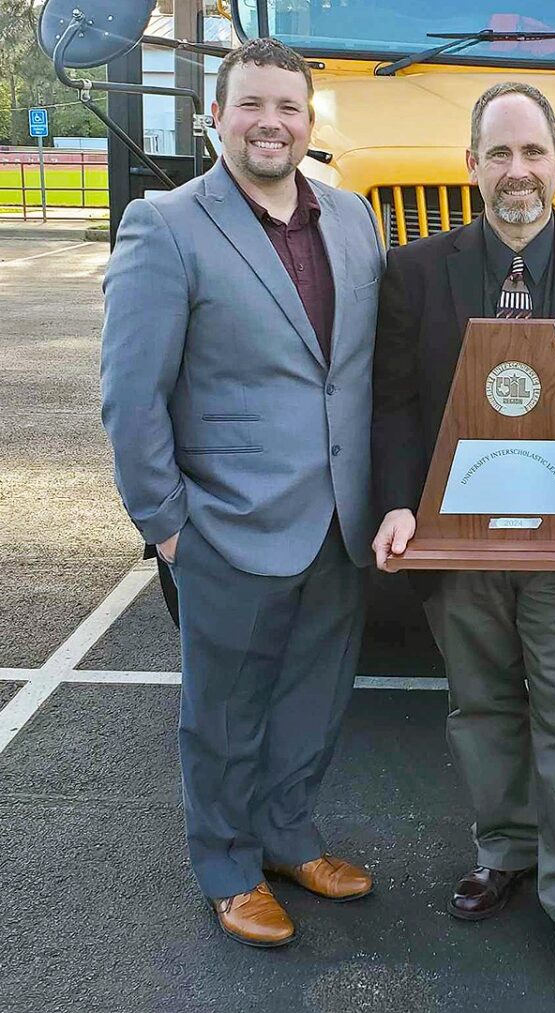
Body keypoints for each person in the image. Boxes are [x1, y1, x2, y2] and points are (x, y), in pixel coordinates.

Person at [371, 82, 555, 993]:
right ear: (470, 165)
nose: (517, 171)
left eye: (532, 152)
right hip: (458, 549)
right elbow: (394, 404)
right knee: (483, 712)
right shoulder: (416, 271)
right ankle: (506, 850)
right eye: (498, 153)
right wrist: (398, 503)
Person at [101, 38, 384, 948]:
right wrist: (168, 528)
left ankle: (288, 836)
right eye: (251, 104)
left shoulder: (353, 222)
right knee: (222, 712)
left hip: (340, 516)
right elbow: (131, 393)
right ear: (215, 117)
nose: (272, 121)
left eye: (289, 107)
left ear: (310, 122)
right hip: (223, 524)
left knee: (315, 695)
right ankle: (225, 864)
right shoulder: (166, 224)